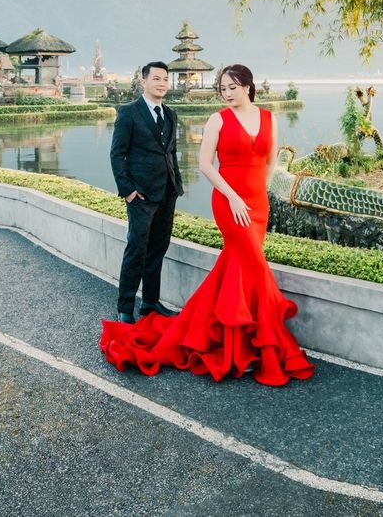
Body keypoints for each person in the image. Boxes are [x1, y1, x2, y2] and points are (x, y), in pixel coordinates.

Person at [100, 64, 314, 386]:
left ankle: (233, 341)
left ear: (247, 87)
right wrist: (234, 196)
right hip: (229, 202)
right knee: (255, 266)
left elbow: (271, 161)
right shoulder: (216, 119)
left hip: (256, 204)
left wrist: (257, 193)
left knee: (236, 268)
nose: (227, 93)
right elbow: (203, 165)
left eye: (232, 87)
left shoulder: (269, 118)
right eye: (223, 88)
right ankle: (269, 347)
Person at [110, 61, 184, 323]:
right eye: (156, 79)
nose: (162, 83)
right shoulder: (129, 112)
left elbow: (172, 153)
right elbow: (117, 154)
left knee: (158, 249)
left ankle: (150, 302)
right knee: (136, 249)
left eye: (165, 79)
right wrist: (128, 191)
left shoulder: (170, 114)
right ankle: (125, 307)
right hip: (140, 196)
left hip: (167, 193)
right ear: (144, 81)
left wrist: (177, 184)